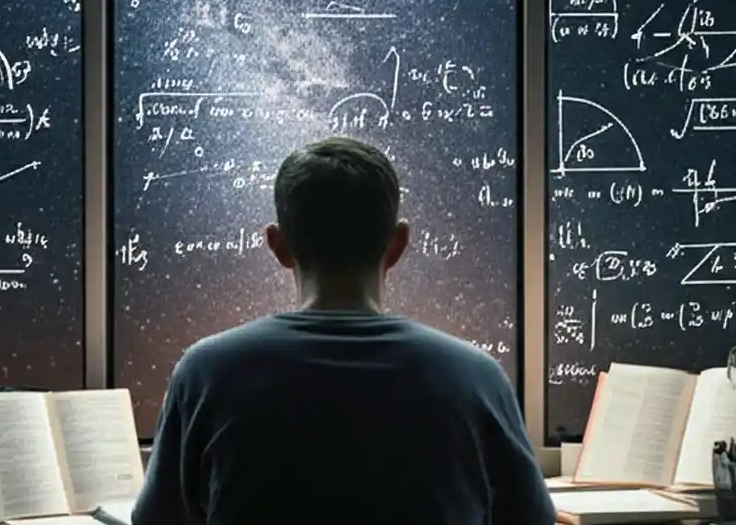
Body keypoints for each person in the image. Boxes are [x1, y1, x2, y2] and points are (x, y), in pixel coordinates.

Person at [131, 137, 556, 525]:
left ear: (277, 246)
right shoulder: (476, 377)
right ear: (398, 243)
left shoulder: (206, 372)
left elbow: (156, 520)